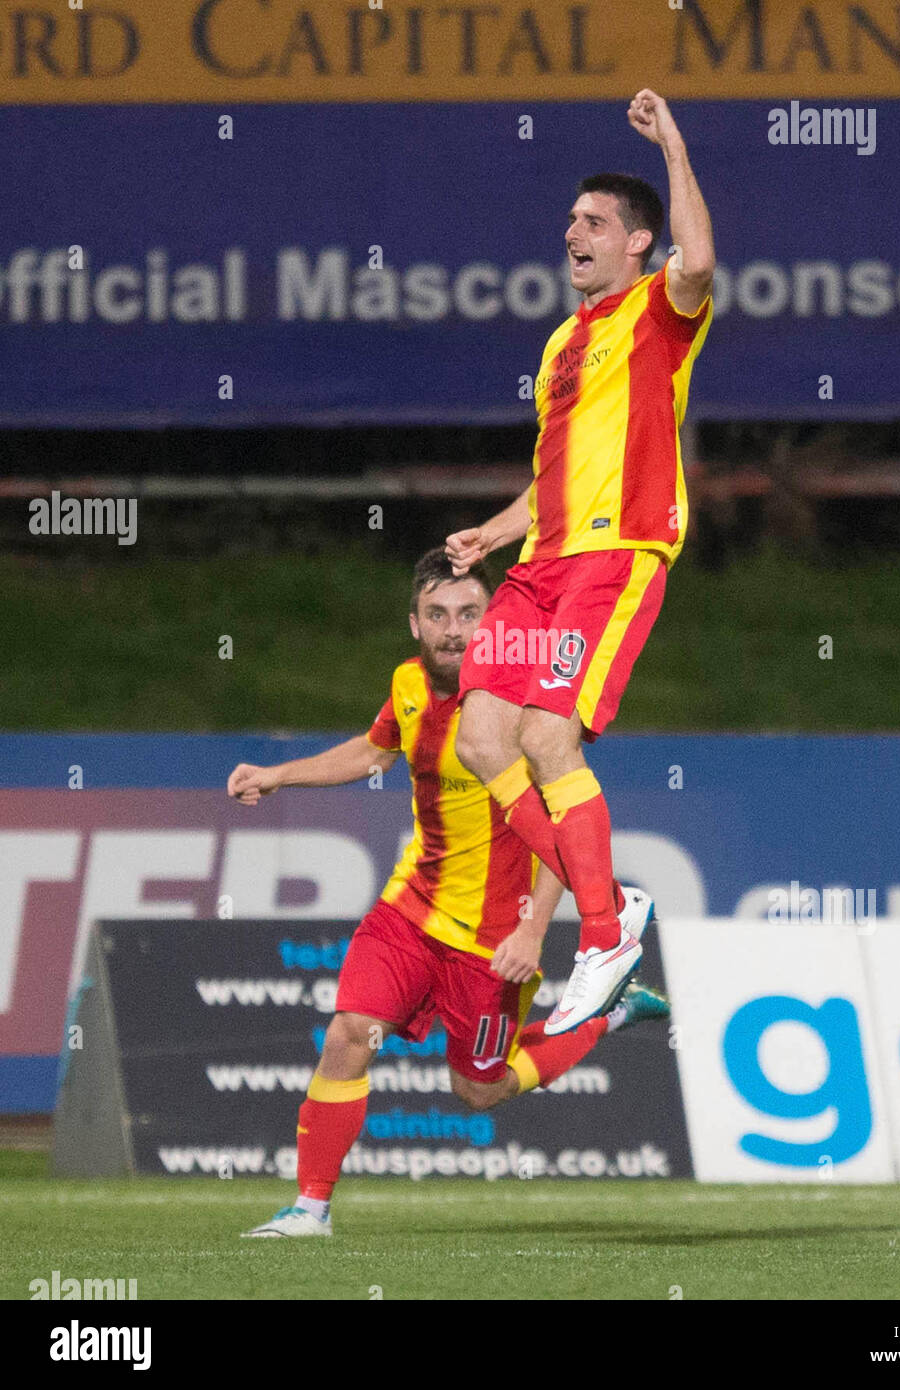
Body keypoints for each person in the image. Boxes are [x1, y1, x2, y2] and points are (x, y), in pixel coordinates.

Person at [227, 549, 667, 1237]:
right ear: (414, 624)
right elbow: (374, 752)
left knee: (477, 1089)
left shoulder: (526, 707)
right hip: (410, 912)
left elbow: (566, 833)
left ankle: (602, 1016)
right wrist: (279, 774)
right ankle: (309, 1208)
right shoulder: (407, 685)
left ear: (496, 622)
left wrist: (531, 932)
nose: (453, 630)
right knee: (347, 1034)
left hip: (495, 939)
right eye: (437, 615)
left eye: (469, 614)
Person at [446, 90, 715, 1034]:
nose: (574, 233)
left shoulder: (660, 310)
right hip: (539, 565)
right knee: (481, 737)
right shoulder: (563, 341)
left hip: (616, 557)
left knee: (551, 740)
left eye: (594, 222)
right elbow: (550, 479)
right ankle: (615, 911)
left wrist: (674, 148)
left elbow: (705, 260)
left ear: (637, 243)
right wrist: (494, 531)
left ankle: (601, 935)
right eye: (569, 221)